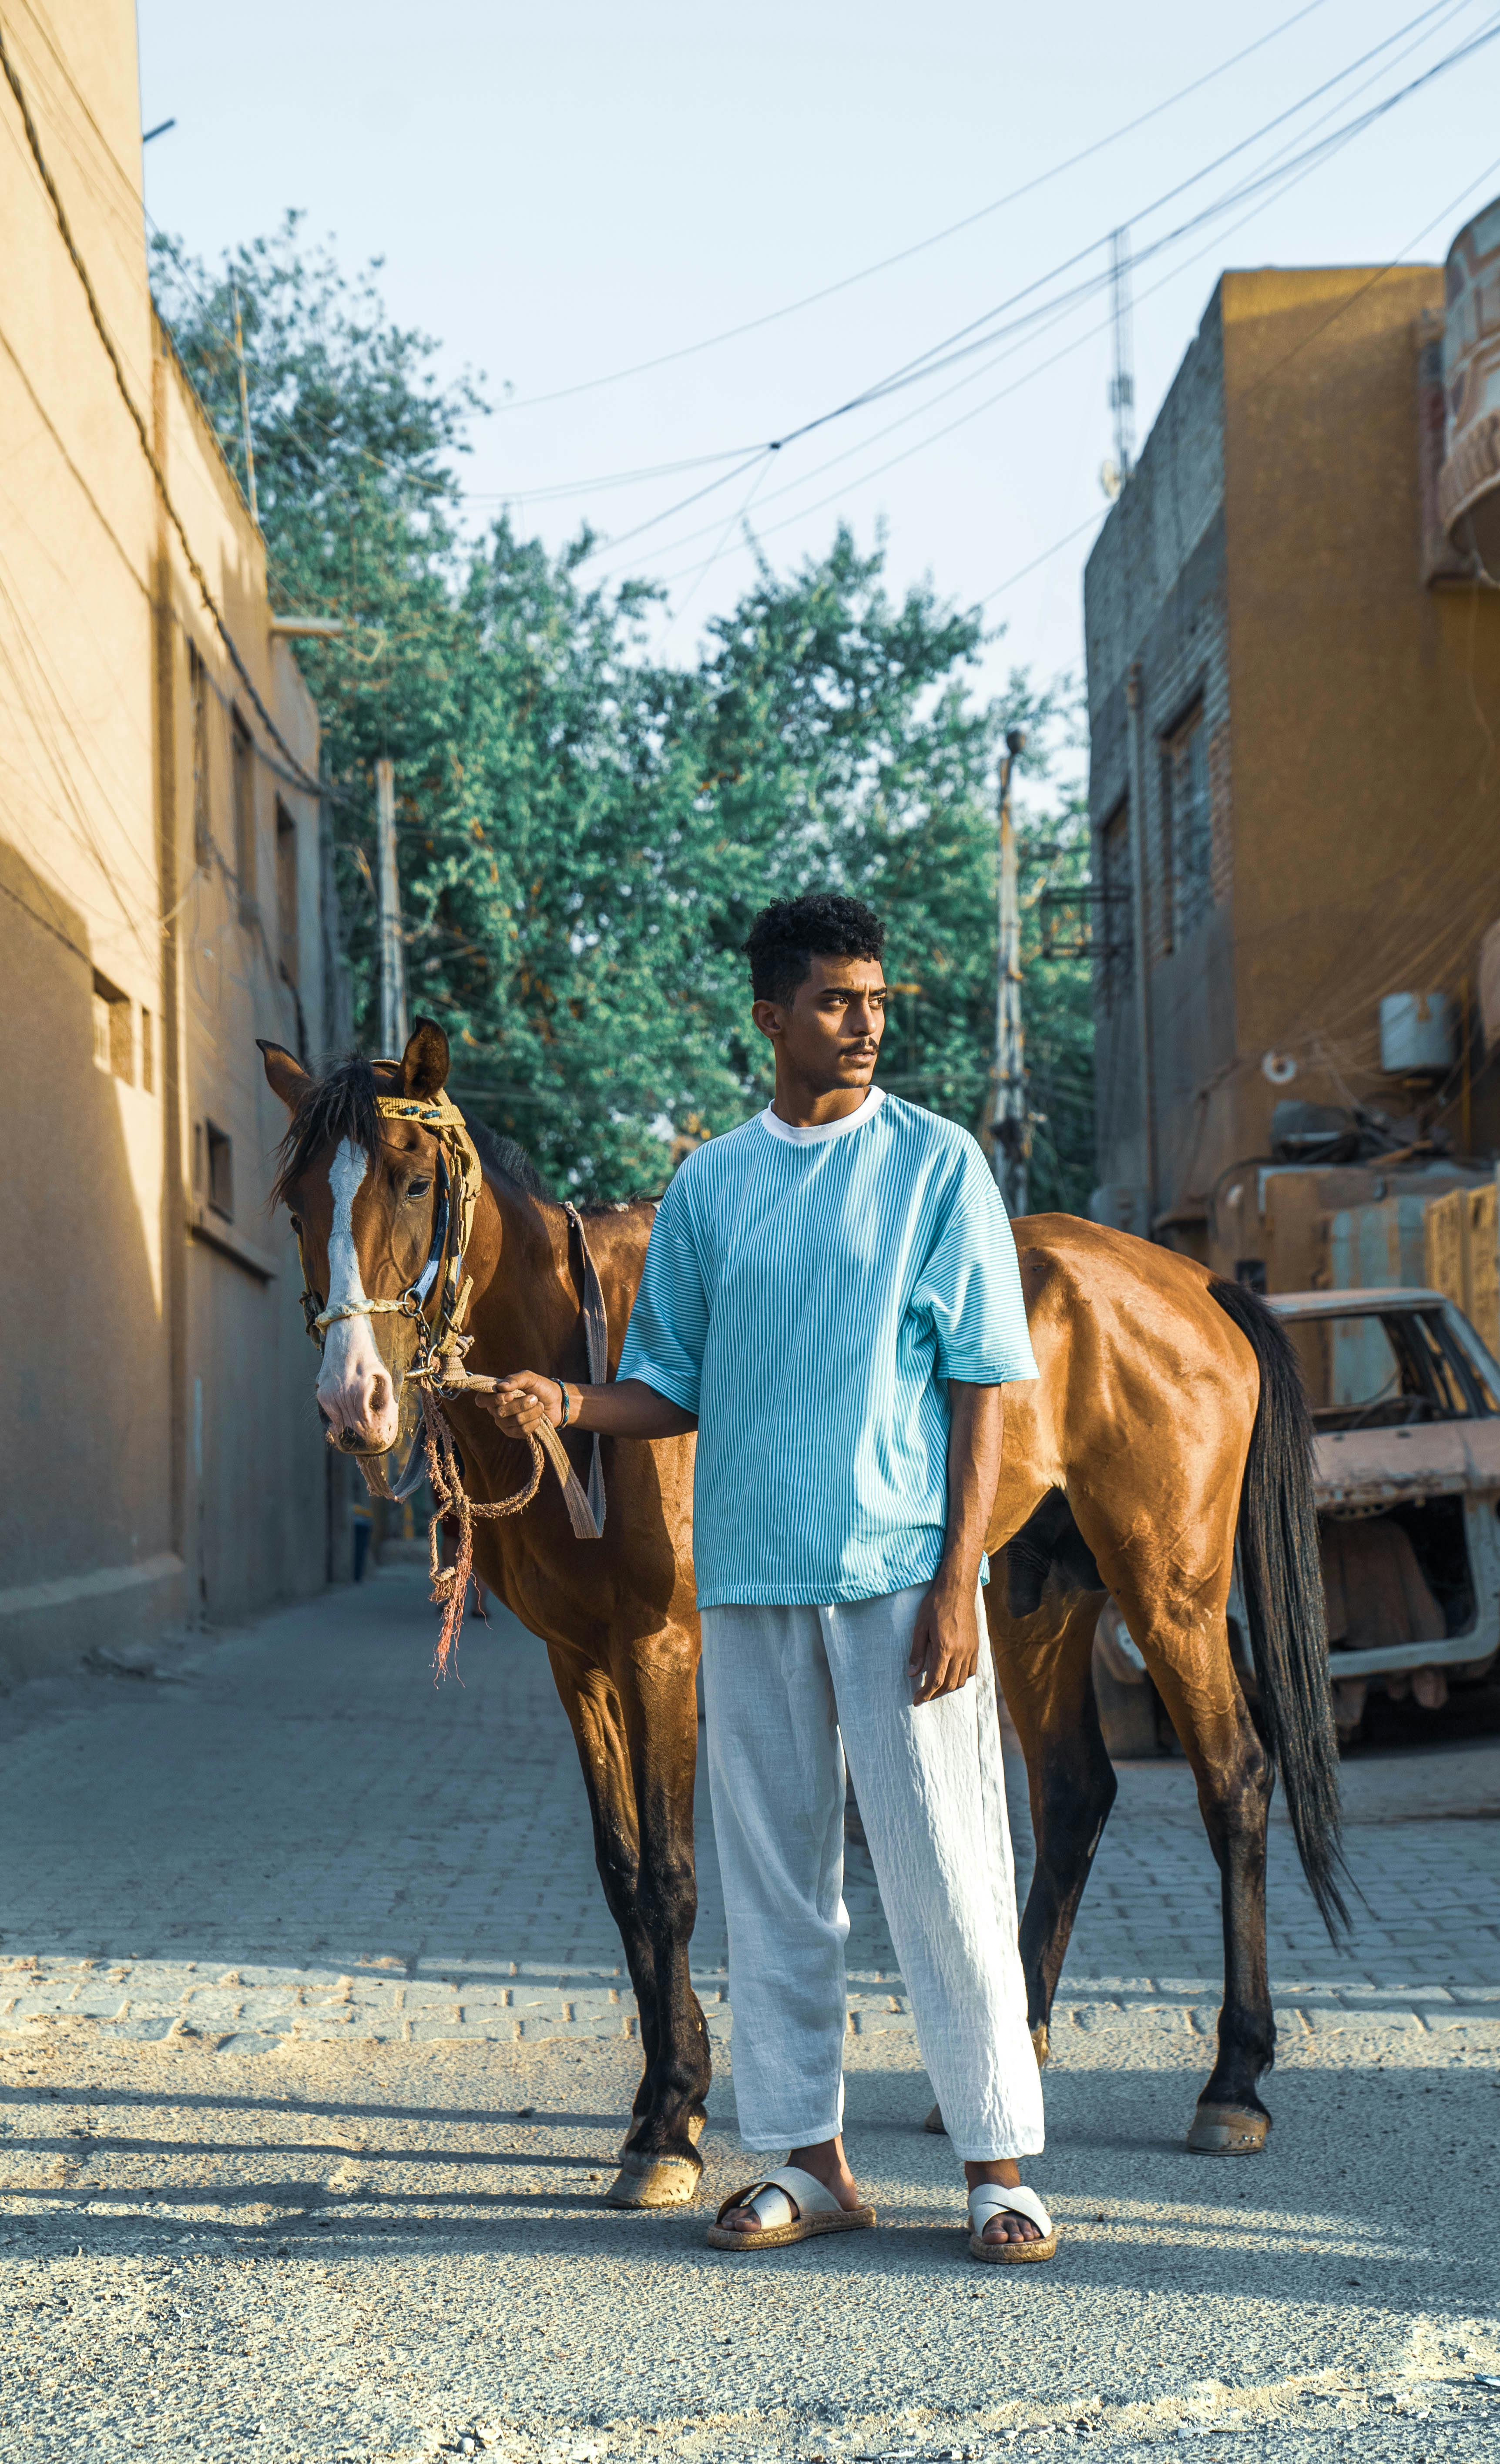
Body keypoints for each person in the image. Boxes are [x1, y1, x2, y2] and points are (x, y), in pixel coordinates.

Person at [488, 892, 1053, 2264]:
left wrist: (958, 1580)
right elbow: (667, 1385)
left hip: (895, 1573)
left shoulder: (936, 1165)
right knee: (777, 1881)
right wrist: (564, 1402)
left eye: (875, 1000)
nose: (864, 1023)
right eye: (835, 1001)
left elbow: (982, 1385)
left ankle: (999, 2168)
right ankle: (809, 2161)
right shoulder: (712, 1184)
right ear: (771, 1020)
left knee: (947, 1866)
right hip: (746, 1582)